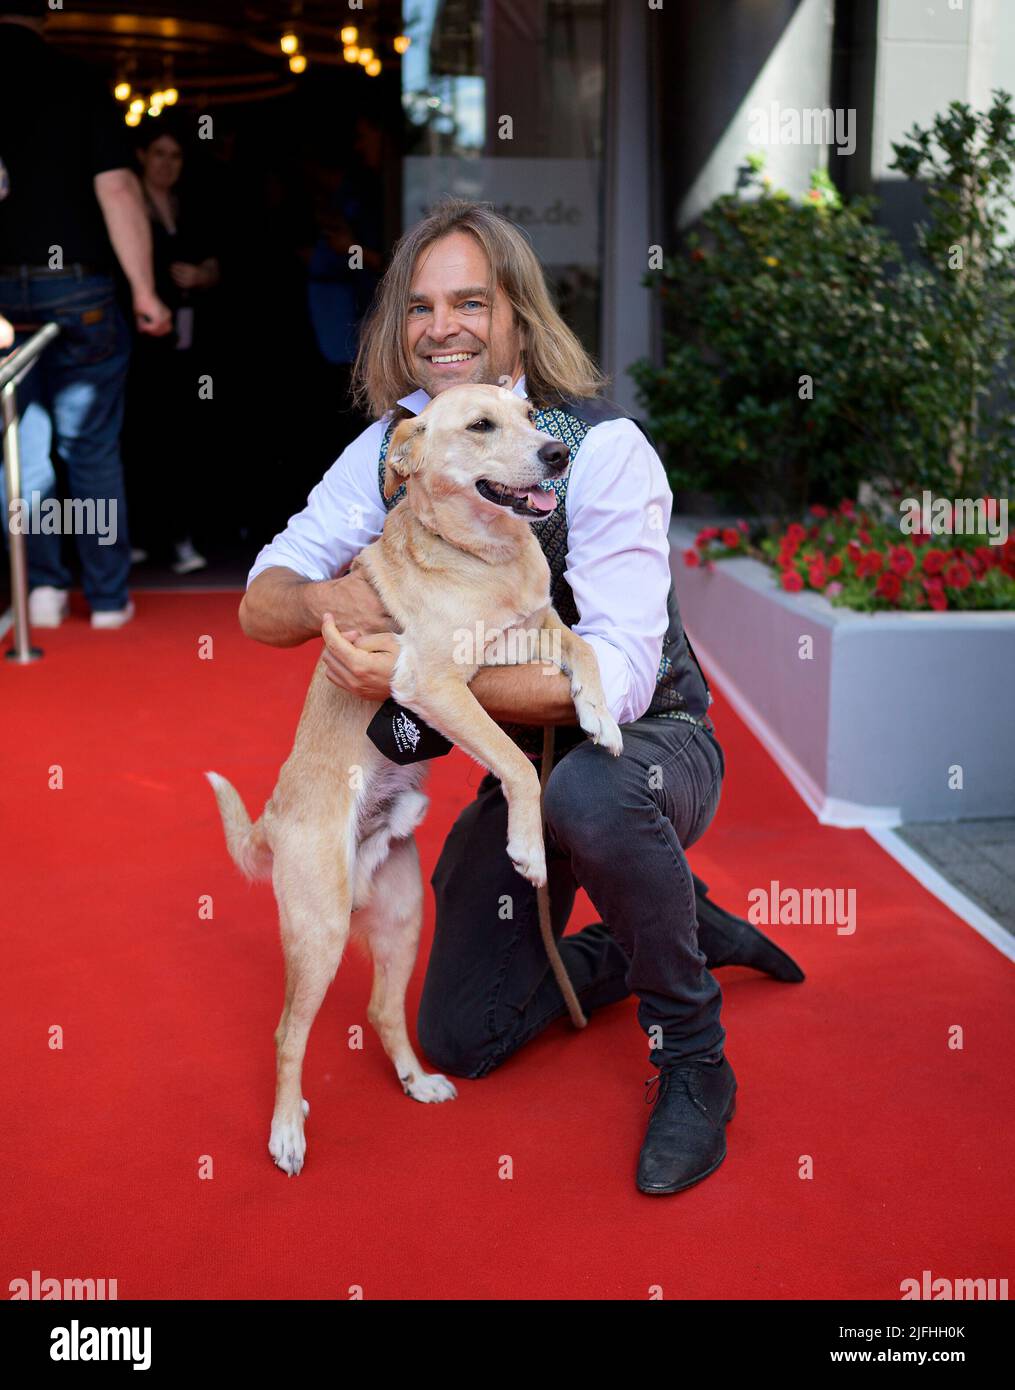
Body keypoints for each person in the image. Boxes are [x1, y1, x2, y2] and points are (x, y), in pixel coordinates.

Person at [240, 199, 803, 1196]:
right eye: (419, 306)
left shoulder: (600, 449)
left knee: (590, 791)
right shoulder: (401, 445)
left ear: (516, 319)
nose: (441, 325)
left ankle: (692, 1053)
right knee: (462, 1033)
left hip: (650, 744)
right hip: (519, 773)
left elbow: (619, 682)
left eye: (468, 300)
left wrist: (413, 677)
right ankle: (661, 926)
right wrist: (344, 596)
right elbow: (261, 601)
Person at [0, 1, 171, 627]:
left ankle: (41, 591)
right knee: (91, 446)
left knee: (21, 442)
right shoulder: (77, 79)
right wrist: (147, 293)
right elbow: (119, 190)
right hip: (77, 289)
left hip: (2, 297)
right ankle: (105, 599)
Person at [123, 122, 220, 575]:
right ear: (141, 155)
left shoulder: (188, 204)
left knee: (182, 435)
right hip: (136, 339)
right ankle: (137, 536)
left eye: (175, 156)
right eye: (159, 154)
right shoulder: (127, 204)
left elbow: (217, 261)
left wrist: (204, 276)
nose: (167, 164)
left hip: (185, 340)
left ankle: (180, 536)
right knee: (137, 436)